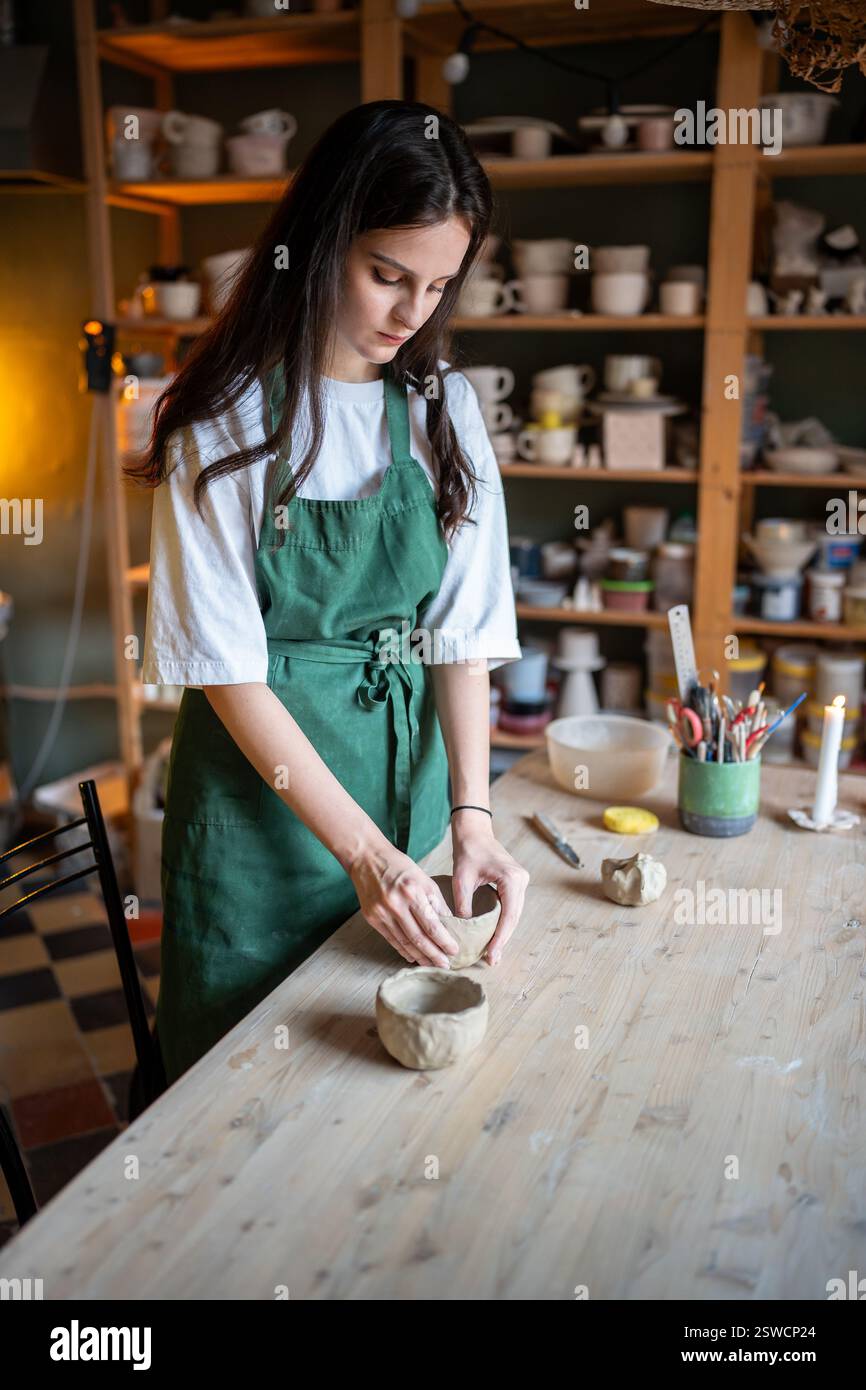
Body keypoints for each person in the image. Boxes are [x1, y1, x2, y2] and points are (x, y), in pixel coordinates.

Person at [134, 99, 529, 1085]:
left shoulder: (445, 413)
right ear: (317, 245)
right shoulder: (219, 426)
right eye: (386, 274)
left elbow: (460, 634)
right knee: (245, 1091)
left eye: (437, 286)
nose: (411, 314)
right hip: (263, 817)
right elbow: (228, 673)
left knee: (388, 1090)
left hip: (409, 793)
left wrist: (471, 817)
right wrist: (365, 858)